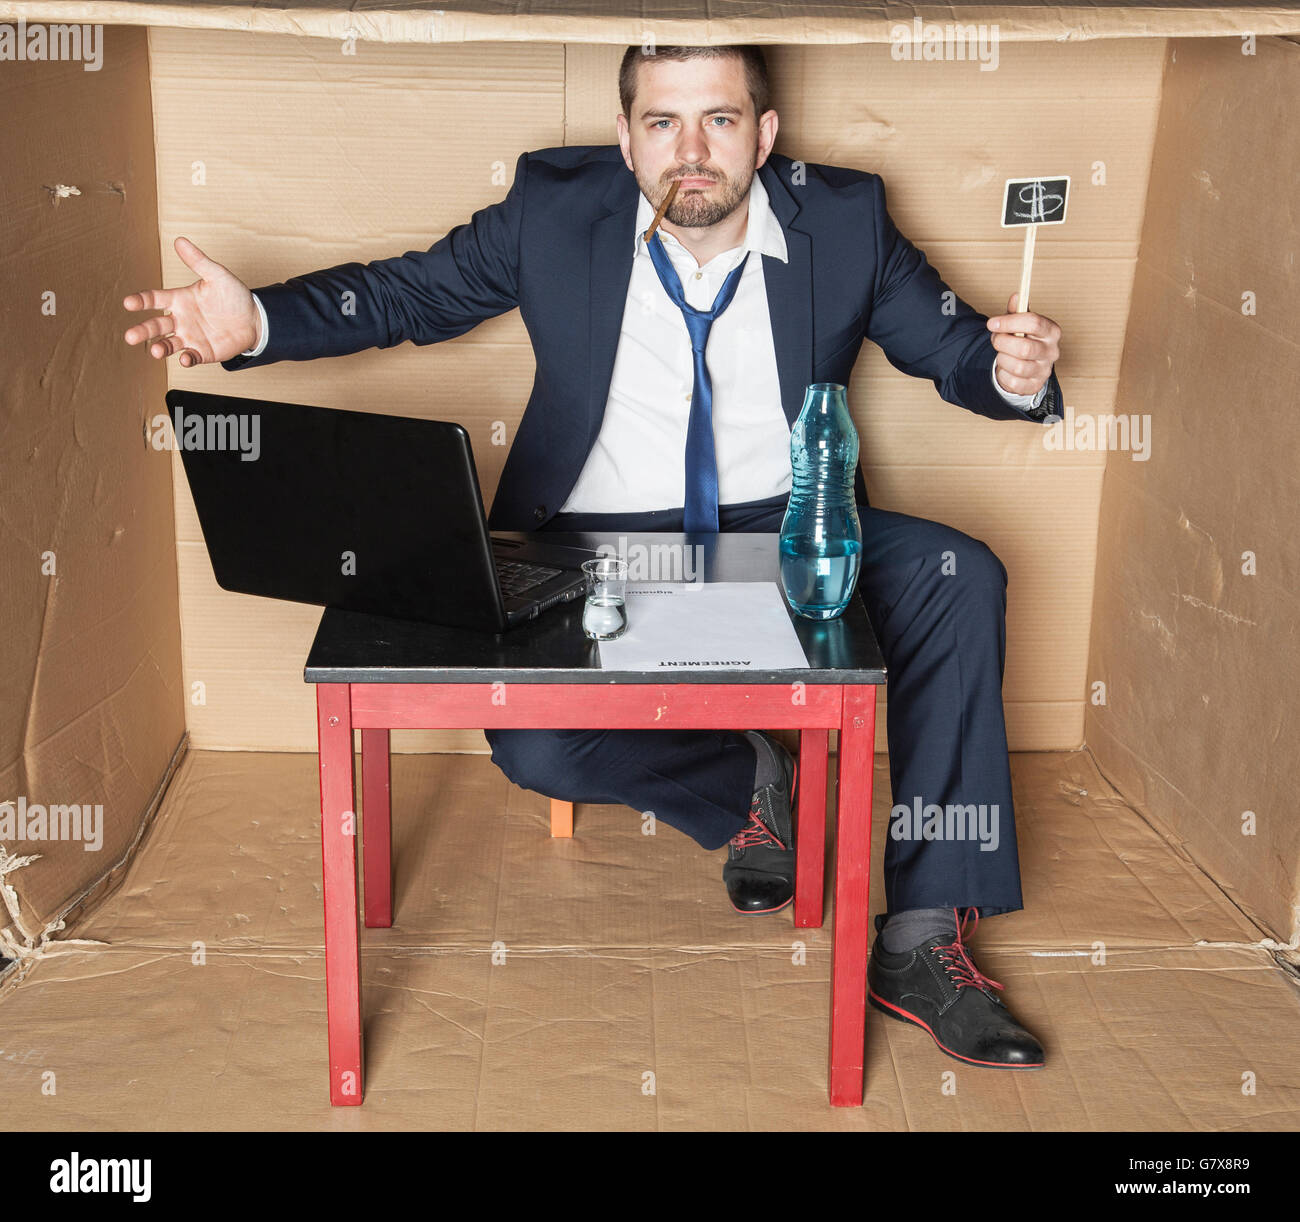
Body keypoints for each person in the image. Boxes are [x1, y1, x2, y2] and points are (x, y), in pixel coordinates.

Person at [123, 44, 1064, 1071]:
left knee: (955, 573)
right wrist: (253, 320)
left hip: (785, 526)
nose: (691, 151)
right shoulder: (553, 208)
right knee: (535, 747)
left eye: (720, 120)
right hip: (598, 544)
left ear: (766, 134)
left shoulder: (843, 219)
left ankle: (920, 934)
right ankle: (750, 780)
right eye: (662, 123)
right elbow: (407, 295)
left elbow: (956, 352)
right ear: (625, 138)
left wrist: (1010, 372)